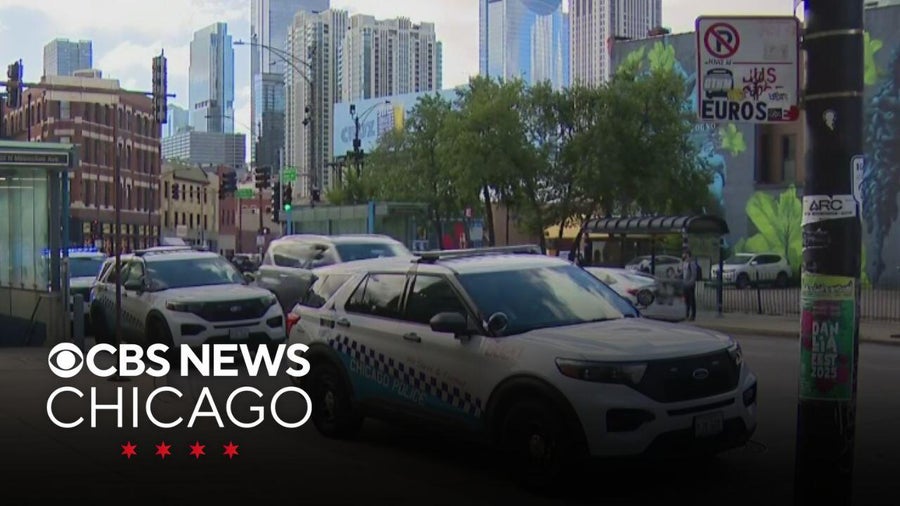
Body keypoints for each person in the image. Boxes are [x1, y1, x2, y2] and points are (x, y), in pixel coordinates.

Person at [682, 249, 698, 321]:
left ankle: (693, 315)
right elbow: (683, 273)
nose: (683, 255)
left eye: (684, 254)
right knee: (686, 300)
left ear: (687, 254)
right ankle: (686, 314)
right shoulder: (684, 263)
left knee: (692, 300)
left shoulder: (692, 263)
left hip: (690, 285)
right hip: (685, 284)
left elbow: (694, 274)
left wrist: (691, 282)